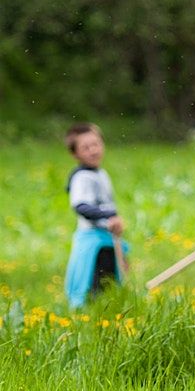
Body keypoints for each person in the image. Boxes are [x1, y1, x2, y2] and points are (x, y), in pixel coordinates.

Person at [63, 123, 127, 308]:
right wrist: (109, 215)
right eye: (86, 147)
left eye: (96, 144)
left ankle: (108, 310)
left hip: (106, 238)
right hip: (93, 241)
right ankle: (91, 313)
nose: (93, 150)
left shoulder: (101, 173)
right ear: (75, 154)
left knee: (110, 278)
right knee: (93, 281)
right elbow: (81, 206)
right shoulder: (81, 177)